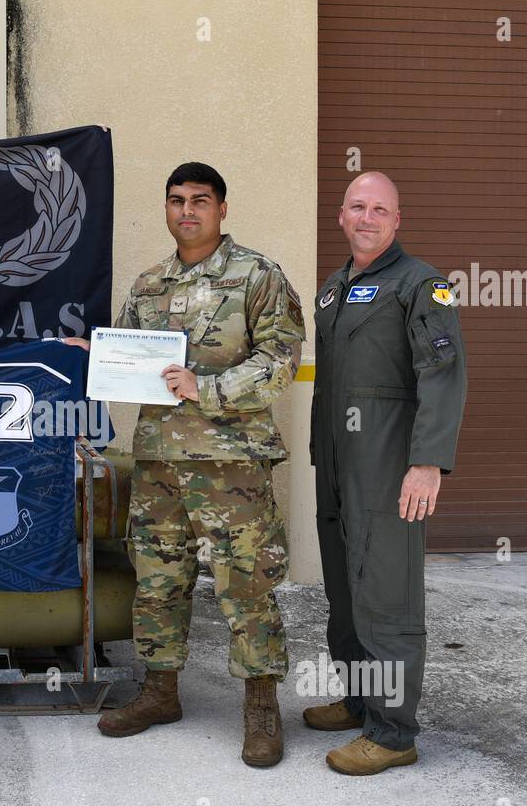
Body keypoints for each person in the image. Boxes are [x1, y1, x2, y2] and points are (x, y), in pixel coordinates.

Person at [70, 162, 305, 767]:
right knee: (157, 582)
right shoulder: (150, 285)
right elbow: (127, 356)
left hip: (232, 468)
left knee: (246, 587)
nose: (187, 211)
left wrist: (208, 389)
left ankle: (260, 706)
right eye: (176, 201)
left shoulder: (258, 276)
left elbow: (279, 362)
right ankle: (159, 692)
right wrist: (95, 353)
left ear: (222, 208)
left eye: (200, 200)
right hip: (160, 466)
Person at [307, 171, 468, 775]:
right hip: (339, 465)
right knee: (346, 592)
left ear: (396, 220)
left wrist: (427, 463)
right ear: (341, 216)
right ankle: (359, 701)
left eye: (380, 209)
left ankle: (394, 732)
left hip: (388, 465)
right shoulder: (334, 288)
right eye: (357, 206)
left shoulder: (423, 286)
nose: (367, 217)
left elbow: (443, 376)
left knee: (387, 596)